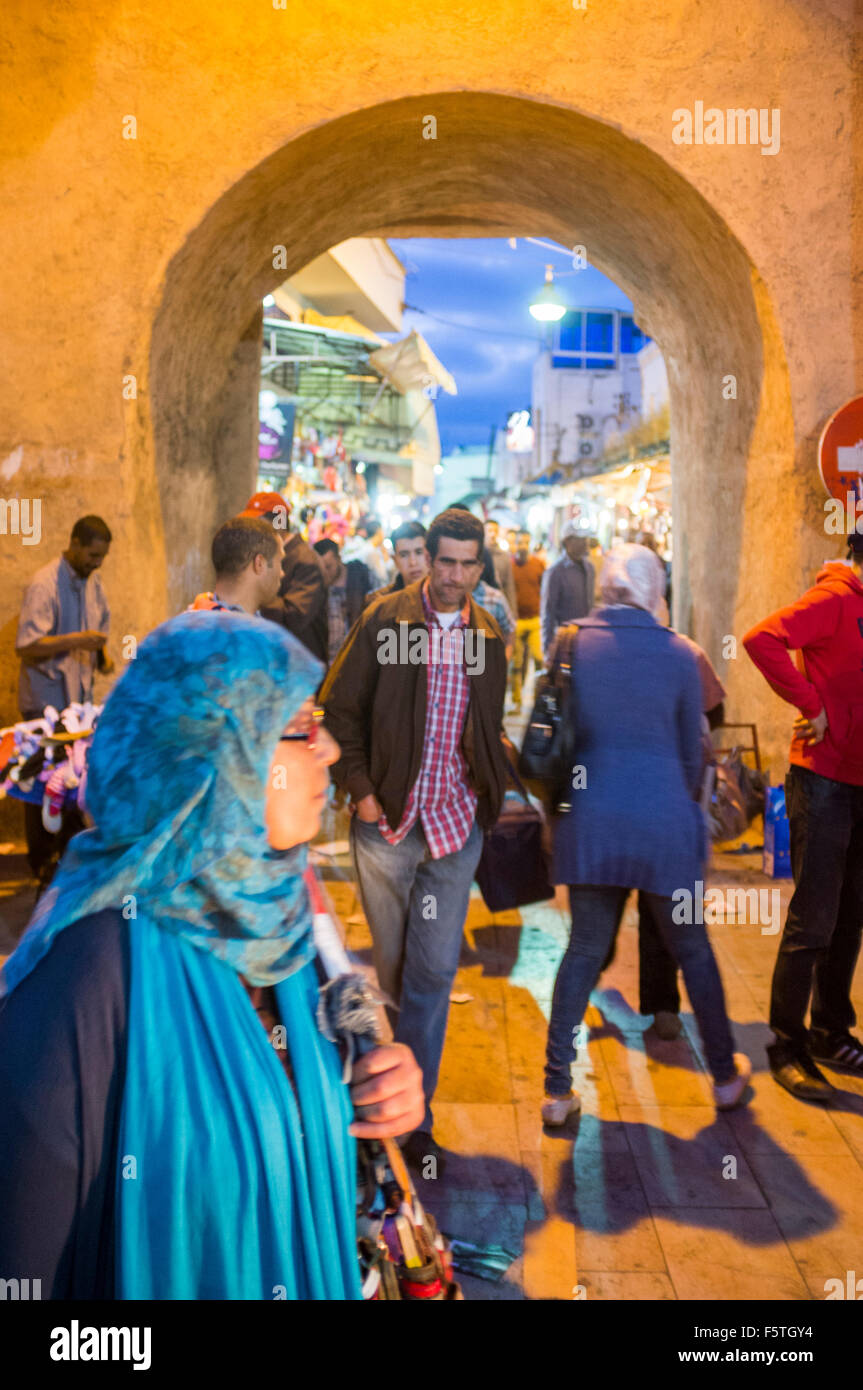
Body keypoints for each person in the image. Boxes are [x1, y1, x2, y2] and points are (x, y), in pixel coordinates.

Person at [0, 612, 423, 1298]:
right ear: (211, 757)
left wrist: (374, 1094)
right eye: (299, 729)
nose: (330, 752)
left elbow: (294, 1120)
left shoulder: (285, 916)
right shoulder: (90, 973)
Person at [319, 508, 509, 1169]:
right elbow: (338, 709)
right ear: (425, 558)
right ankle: (381, 1097)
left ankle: (414, 1115)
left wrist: (494, 787)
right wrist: (362, 791)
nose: (454, 575)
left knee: (433, 972)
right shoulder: (386, 620)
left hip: (454, 827)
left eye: (466, 563)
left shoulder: (487, 635)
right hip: (386, 826)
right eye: (444, 561)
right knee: (394, 970)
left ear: (479, 568)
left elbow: (488, 726)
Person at [541, 544, 751, 1125]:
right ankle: (726, 1078)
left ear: (605, 587)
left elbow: (555, 740)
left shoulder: (570, 643)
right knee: (693, 951)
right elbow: (693, 754)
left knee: (583, 950)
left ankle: (557, 1090)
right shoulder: (682, 655)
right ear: (655, 591)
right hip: (664, 832)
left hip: (591, 825)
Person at [743, 531, 863, 1100]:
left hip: (861, 780)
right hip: (822, 779)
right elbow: (761, 638)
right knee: (813, 917)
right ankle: (786, 1045)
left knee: (850, 915)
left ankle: (829, 1031)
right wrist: (810, 704)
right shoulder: (835, 599)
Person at [15, 515, 113, 875]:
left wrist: (101, 657)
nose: (96, 563)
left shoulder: (94, 584)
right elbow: (25, 646)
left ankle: (68, 865)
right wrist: (77, 641)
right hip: (45, 704)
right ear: (73, 544)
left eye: (101, 557)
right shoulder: (45, 583)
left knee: (73, 786)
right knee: (40, 788)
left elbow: (98, 636)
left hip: (77, 706)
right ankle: (41, 865)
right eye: (91, 555)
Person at [240, 491, 328, 662]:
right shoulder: (269, 556)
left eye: (258, 524)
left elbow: (294, 616)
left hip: (301, 667)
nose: (253, 532)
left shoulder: (305, 560)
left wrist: (251, 593)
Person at [189, 516, 285, 616]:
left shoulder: (187, 622)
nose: (282, 573)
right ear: (259, 564)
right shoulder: (252, 630)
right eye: (280, 561)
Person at [312, 537, 374, 666]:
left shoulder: (361, 576)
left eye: (328, 567)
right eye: (320, 568)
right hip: (331, 662)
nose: (325, 573)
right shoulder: (317, 588)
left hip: (360, 657)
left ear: (339, 558)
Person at [540, 521, 596, 660]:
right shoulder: (555, 572)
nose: (585, 543)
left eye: (586, 539)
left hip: (587, 640)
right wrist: (548, 649)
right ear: (567, 542)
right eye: (580, 540)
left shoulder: (589, 568)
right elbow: (548, 612)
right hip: (565, 643)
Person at [510, 529, 545, 712]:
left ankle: (538, 699)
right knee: (516, 665)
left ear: (530, 543)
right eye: (520, 542)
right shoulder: (510, 565)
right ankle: (517, 702)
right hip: (516, 622)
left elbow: (544, 591)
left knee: (539, 659)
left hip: (534, 620)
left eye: (525, 542)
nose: (523, 546)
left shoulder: (538, 564)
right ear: (515, 544)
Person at [365, 520, 429, 606]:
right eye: (404, 555)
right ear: (395, 560)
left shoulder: (445, 596)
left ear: (429, 555)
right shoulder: (381, 603)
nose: (413, 562)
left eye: (419, 552)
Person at [483, 519, 517, 612]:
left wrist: (513, 612)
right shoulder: (477, 555)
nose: (492, 534)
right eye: (489, 531)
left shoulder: (504, 556)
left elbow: (509, 586)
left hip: (499, 607)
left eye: (495, 531)